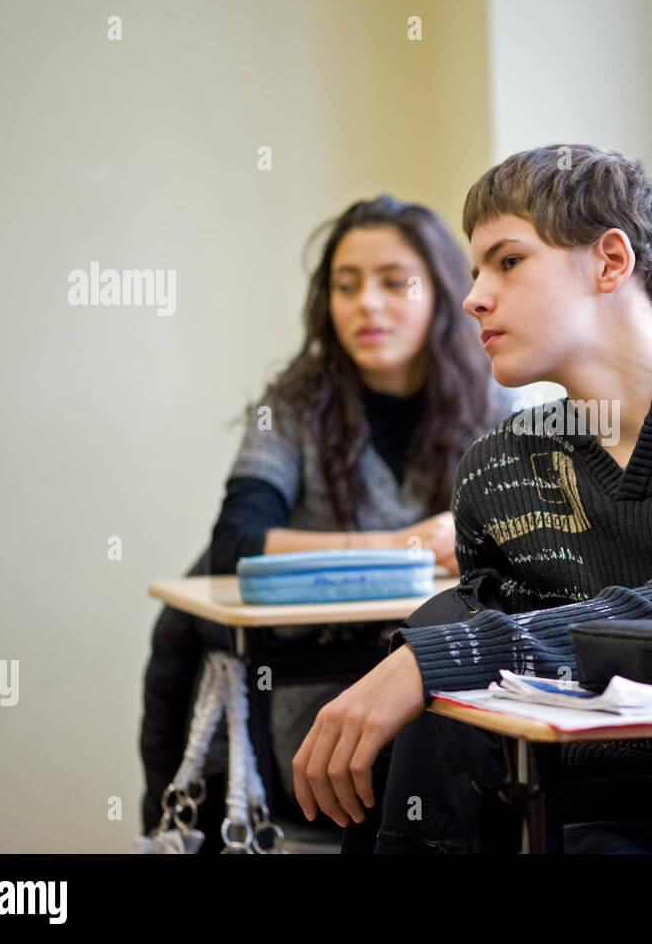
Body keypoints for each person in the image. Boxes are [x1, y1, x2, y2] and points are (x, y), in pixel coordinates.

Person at [292, 144, 652, 853]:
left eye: (508, 261)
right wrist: (441, 651)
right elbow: (483, 701)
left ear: (611, 262)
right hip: (559, 811)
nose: (473, 298)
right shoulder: (496, 466)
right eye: (474, 272)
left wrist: (434, 657)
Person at [139, 195, 513, 848]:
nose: (367, 303)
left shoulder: (497, 402)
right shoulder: (294, 408)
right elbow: (235, 543)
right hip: (313, 703)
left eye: (394, 282)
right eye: (346, 285)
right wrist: (401, 544)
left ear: (443, 291)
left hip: (447, 687)